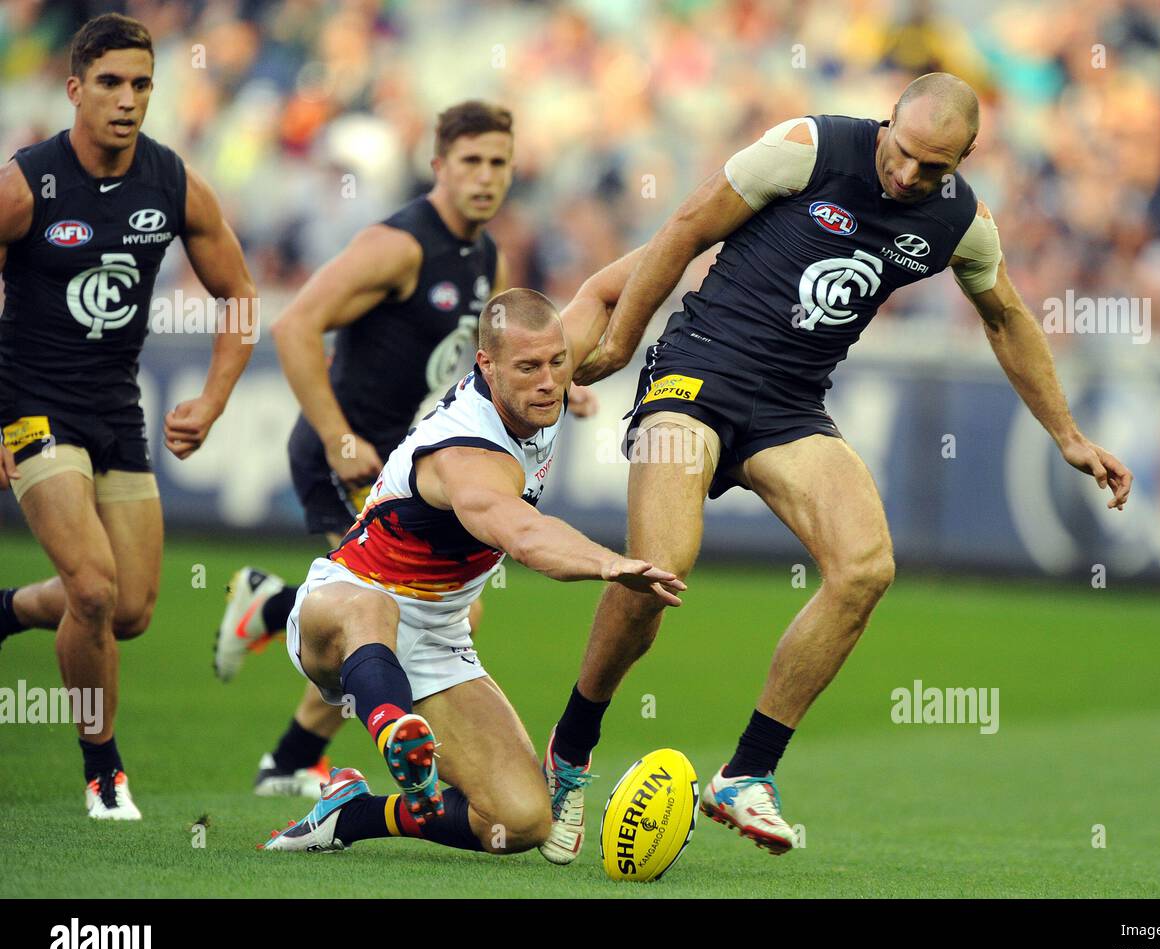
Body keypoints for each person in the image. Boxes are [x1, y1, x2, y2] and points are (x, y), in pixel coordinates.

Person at [540, 72, 1134, 860]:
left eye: (933, 166)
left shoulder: (961, 220)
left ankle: (747, 774)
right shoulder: (807, 149)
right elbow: (682, 230)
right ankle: (571, 752)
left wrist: (1067, 435)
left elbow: (1007, 318)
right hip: (696, 373)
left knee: (865, 567)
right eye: (904, 153)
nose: (908, 176)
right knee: (658, 571)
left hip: (789, 408)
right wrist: (618, 345)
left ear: (966, 155)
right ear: (887, 122)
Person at [212, 101, 600, 797]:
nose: (485, 177)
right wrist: (338, 436)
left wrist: (556, 388)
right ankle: (299, 752)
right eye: (470, 162)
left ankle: (271, 617)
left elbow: (492, 357)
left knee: (421, 608)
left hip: (416, 455)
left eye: (498, 163)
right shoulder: (399, 246)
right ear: (438, 167)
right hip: (352, 452)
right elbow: (295, 325)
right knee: (389, 607)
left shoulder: (487, 255)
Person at [262, 265, 685, 860]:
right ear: (486, 366)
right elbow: (524, 534)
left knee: (521, 822)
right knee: (373, 606)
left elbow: (609, 290)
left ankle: (355, 813)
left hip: (436, 639)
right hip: (339, 610)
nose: (549, 383)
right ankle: (392, 730)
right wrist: (610, 565)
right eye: (529, 369)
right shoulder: (466, 450)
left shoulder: (545, 366)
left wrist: (710, 228)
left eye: (559, 363)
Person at [0, 14, 258, 819]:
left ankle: (6, 609)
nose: (127, 99)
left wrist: (214, 399)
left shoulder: (172, 182)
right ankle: (103, 768)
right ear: (74, 89)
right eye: (110, 83)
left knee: (132, 610)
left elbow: (241, 299)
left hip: (117, 407)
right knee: (94, 586)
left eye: (142, 84)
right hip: (31, 403)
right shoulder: (25, 185)